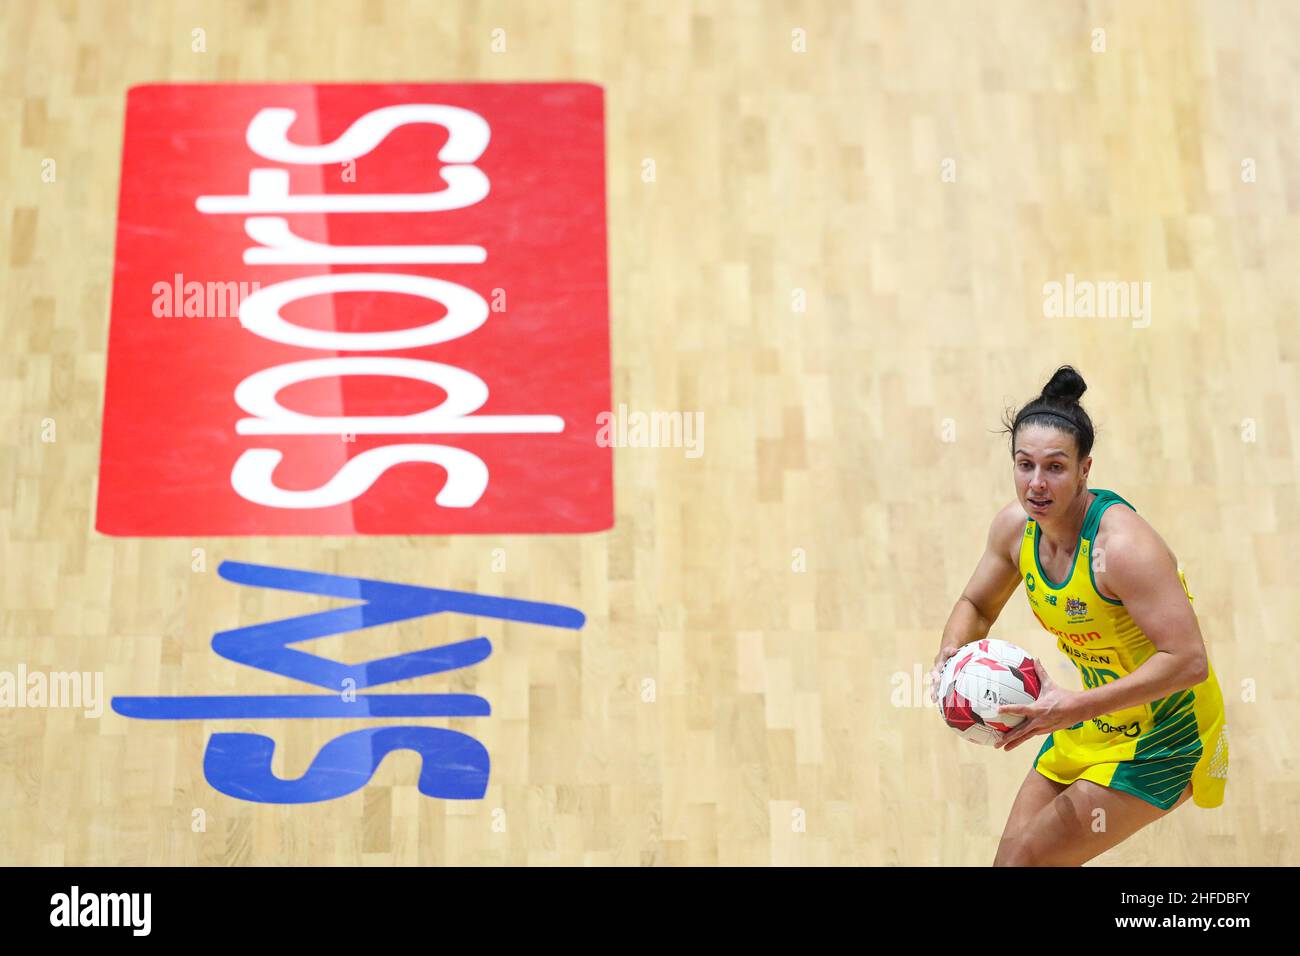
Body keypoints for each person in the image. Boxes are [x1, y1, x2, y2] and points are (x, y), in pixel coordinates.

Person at [929, 365, 1229, 866]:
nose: (1037, 484)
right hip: (1091, 720)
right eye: (1025, 465)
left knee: (1031, 861)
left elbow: (1189, 660)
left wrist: (1075, 707)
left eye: (1055, 467)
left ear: (1085, 469)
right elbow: (976, 605)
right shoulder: (1014, 530)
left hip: (1165, 736)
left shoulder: (1124, 549)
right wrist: (949, 659)